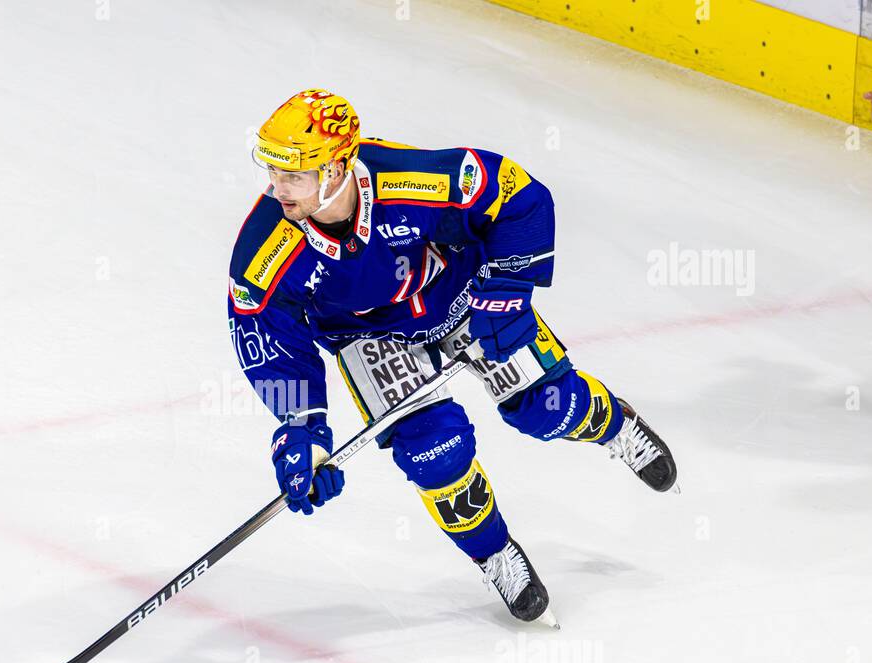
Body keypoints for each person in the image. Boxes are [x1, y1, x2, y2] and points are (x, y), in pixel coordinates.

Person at [227, 89, 677, 624]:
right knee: (432, 453)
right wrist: (301, 431)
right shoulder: (263, 249)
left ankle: (614, 424)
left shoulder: (414, 178)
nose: (277, 188)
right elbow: (271, 343)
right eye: (273, 172)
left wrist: (507, 288)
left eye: (293, 175)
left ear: (336, 168)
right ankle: (494, 553)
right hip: (368, 338)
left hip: (463, 296)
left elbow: (518, 196)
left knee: (546, 407)